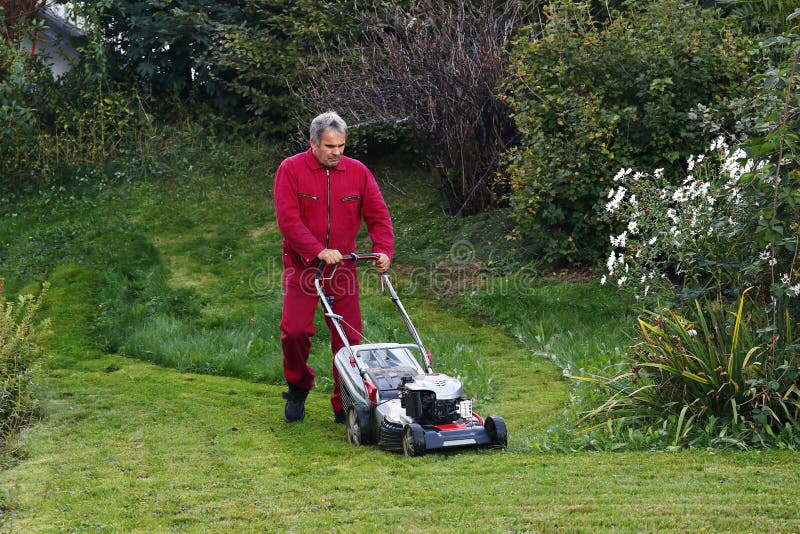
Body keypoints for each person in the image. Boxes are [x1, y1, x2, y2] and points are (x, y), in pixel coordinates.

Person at [273, 111, 394, 423]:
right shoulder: (291, 170)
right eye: (330, 146)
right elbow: (288, 220)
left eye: (341, 145)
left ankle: (346, 405)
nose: (337, 152)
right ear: (313, 143)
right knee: (295, 332)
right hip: (302, 268)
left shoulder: (358, 172)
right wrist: (317, 251)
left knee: (348, 342)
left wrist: (383, 250)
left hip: (343, 270)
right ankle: (298, 386)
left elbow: (378, 215)